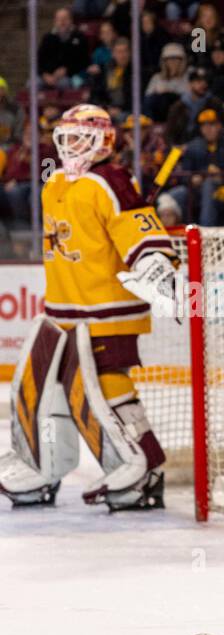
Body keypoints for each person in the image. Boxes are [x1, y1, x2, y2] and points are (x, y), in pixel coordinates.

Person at [0, 104, 179, 512]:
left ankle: (145, 468)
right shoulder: (54, 183)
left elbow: (139, 229)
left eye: (80, 136)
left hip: (108, 310)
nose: (70, 144)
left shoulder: (113, 181)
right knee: (44, 389)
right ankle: (40, 465)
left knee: (107, 389)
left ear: (103, 141)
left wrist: (155, 266)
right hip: (63, 312)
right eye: (65, 136)